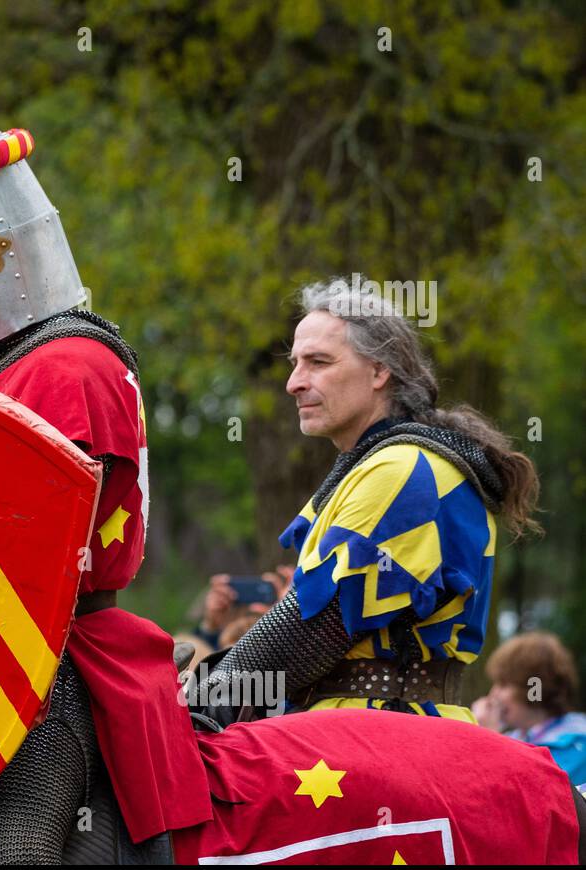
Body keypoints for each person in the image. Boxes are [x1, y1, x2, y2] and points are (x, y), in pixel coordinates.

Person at [0, 99, 213, 862]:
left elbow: (19, 538)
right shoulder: (11, 364)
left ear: (3, 257)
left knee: (11, 848)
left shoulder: (68, 366)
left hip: (51, 661)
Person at [202, 278, 540, 721]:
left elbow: (311, 628)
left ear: (380, 371)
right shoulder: (383, 464)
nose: (293, 383)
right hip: (357, 725)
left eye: (318, 362)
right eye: (295, 363)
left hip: (380, 732)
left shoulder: (402, 469)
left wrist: (203, 699)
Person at [473, 632, 586, 786]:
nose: (493, 694)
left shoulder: (576, 743)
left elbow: (526, 793)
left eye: (504, 684)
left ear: (535, 688)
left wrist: (489, 737)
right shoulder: (516, 737)